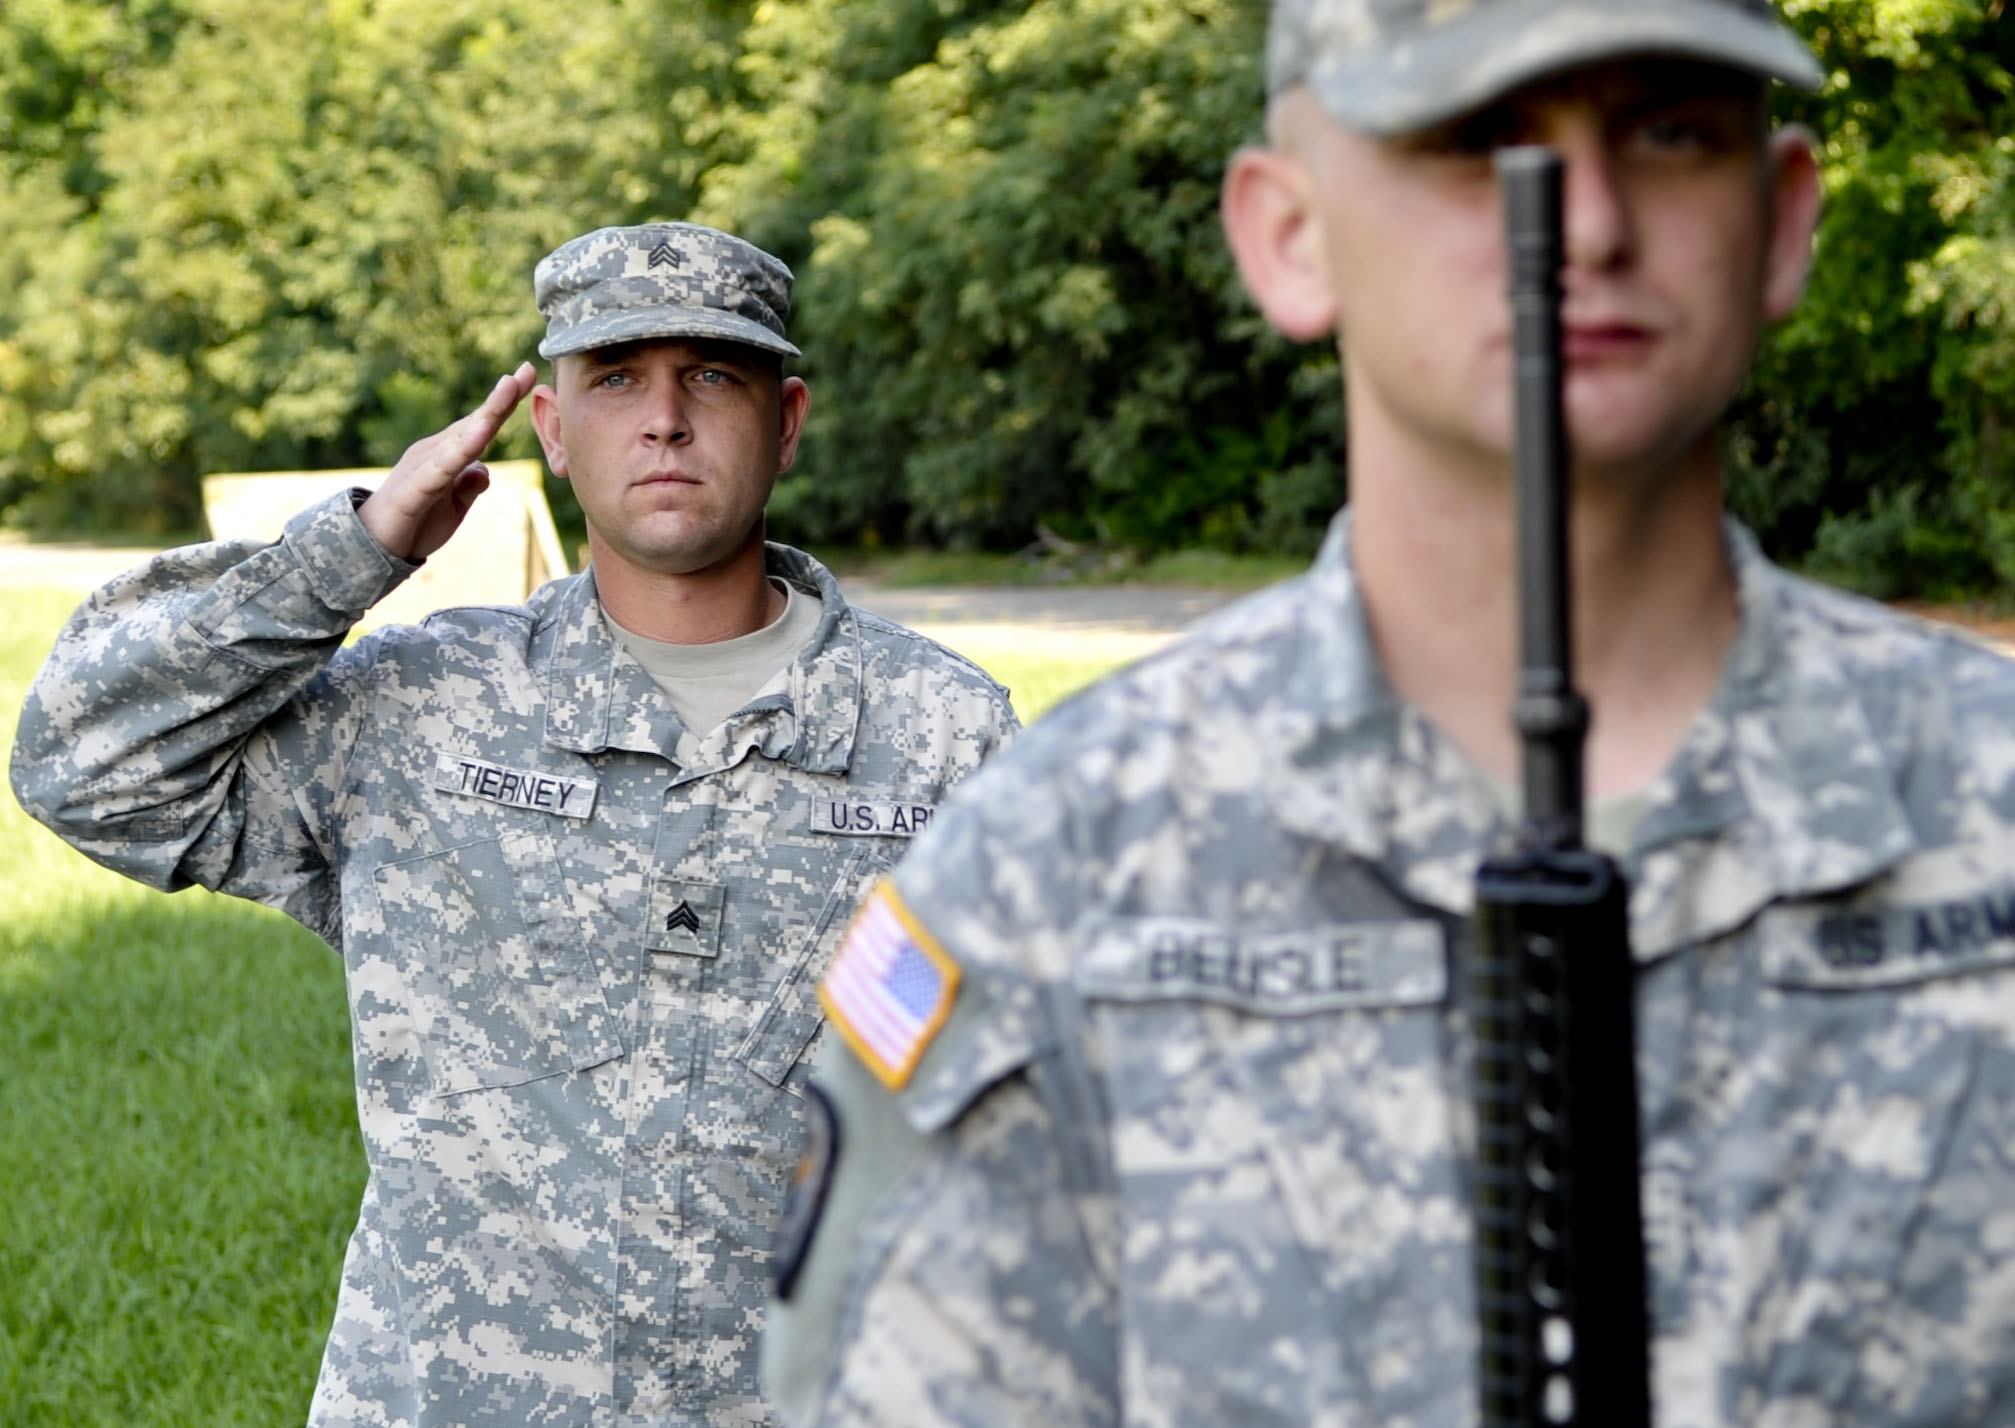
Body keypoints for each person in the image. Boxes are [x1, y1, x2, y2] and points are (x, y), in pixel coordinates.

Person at [759, 2, 2015, 1424]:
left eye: (1668, 131)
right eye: (1472, 137)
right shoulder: (1053, 883)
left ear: (1782, 219)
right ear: (1285, 234)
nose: (1588, 222)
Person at [10, 221, 1018, 1427]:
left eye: (711, 375)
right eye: (615, 379)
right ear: (550, 427)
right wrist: (355, 550)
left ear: (787, 419)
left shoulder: (946, 738)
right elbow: (88, 768)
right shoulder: (426, 711)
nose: (664, 419)